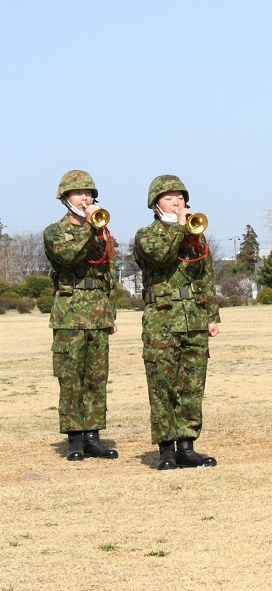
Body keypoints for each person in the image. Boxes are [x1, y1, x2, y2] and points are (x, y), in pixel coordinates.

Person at [135, 175, 220, 470]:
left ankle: (186, 446)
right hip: (162, 320)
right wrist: (180, 228)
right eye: (169, 197)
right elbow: (160, 256)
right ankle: (165, 450)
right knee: (162, 386)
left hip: (194, 318)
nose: (177, 202)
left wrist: (212, 315)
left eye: (180, 197)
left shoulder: (197, 234)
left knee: (192, 386)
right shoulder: (147, 235)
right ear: (155, 203)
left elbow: (206, 275)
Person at [43, 170, 119, 461]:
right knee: (71, 377)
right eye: (78, 193)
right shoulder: (54, 231)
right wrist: (90, 226)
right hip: (70, 314)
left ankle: (93, 437)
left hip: (98, 314)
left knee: (97, 378)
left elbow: (109, 273)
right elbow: (68, 256)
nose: (84, 198)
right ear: (65, 198)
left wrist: (110, 313)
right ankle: (74, 439)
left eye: (88, 193)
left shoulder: (102, 232)